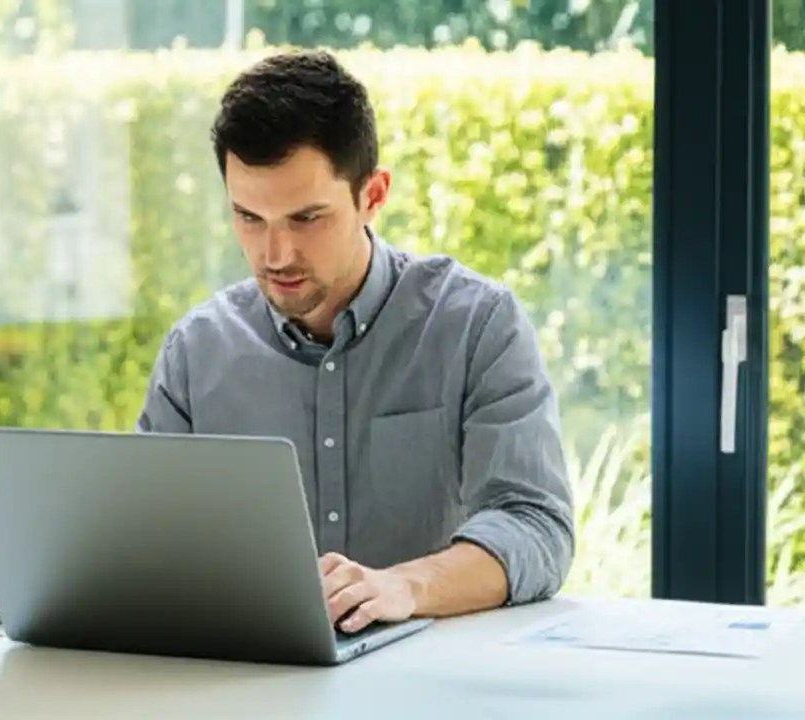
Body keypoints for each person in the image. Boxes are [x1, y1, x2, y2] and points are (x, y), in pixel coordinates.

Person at [136, 49, 573, 633]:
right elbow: (144, 542)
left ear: (373, 195)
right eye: (249, 218)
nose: (275, 255)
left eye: (306, 218)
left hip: (429, 679)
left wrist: (403, 586)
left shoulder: (477, 326)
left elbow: (535, 524)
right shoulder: (196, 353)